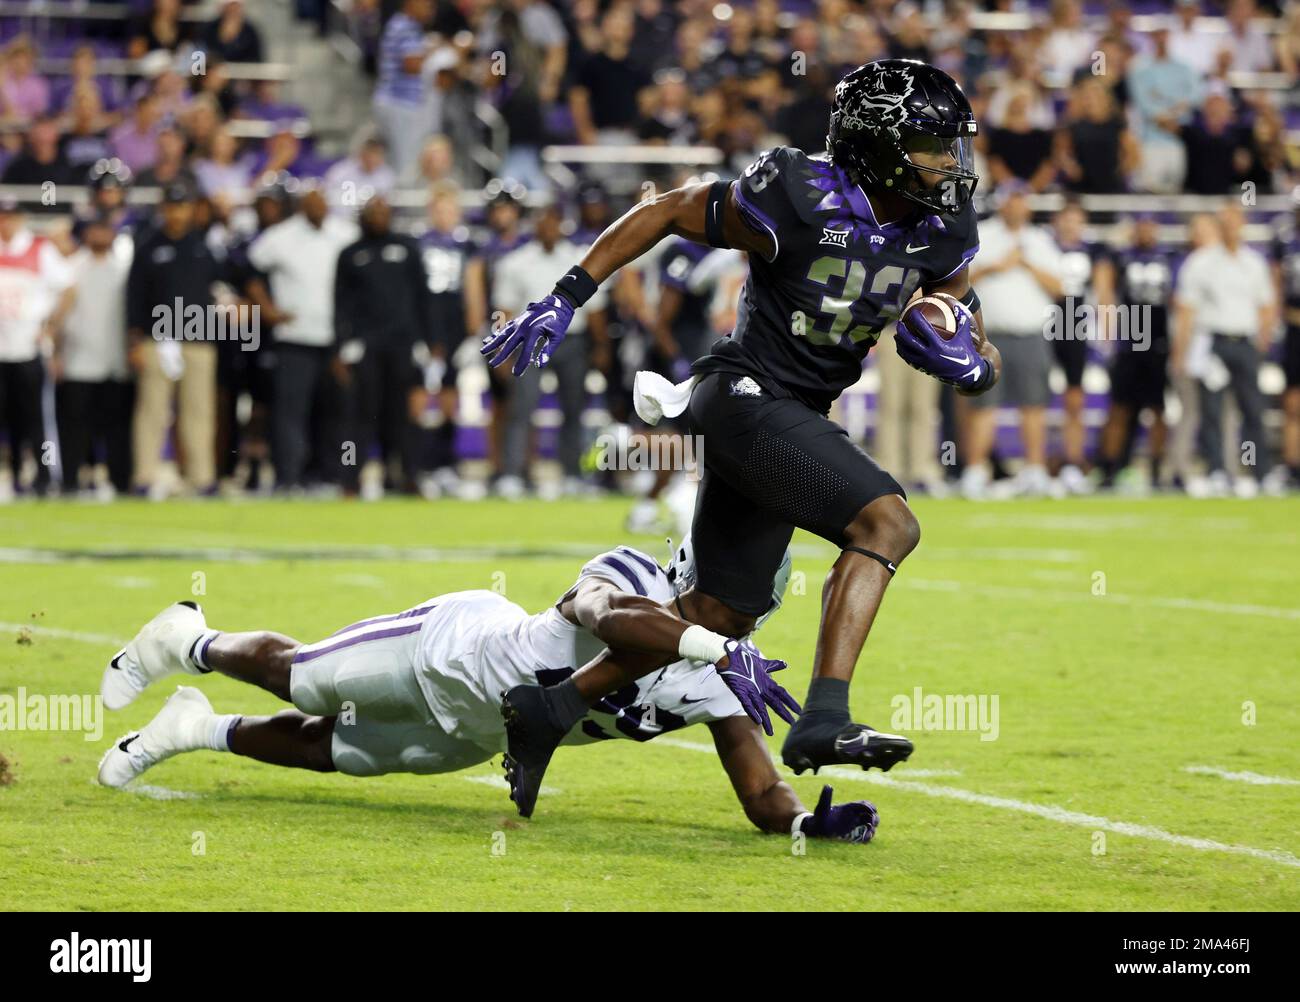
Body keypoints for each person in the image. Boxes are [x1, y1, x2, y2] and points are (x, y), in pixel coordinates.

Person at [481, 59, 998, 815]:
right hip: (744, 395)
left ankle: (550, 708)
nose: (949, 164)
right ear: (878, 144)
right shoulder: (794, 193)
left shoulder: (942, 224)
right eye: (931, 145)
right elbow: (664, 211)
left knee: (720, 614)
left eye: (953, 146)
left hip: (790, 416)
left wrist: (967, 351)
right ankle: (824, 717)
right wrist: (566, 298)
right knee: (887, 522)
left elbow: (952, 293)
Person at [96, 538, 876, 843]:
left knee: (337, 754)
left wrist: (809, 823)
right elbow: (604, 614)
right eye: (729, 601)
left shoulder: (724, 678)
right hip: (447, 652)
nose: (737, 616)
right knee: (299, 675)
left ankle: (193, 728)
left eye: (747, 610)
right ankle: (188, 639)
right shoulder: (636, 576)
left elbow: (759, 789)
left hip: (482, 733)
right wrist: (709, 644)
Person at [493, 203, 608, 498]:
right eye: (542, 223)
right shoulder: (516, 262)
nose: (547, 229)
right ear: (533, 227)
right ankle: (513, 474)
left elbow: (594, 310)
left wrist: (601, 346)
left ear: (561, 225)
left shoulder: (579, 258)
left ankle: (572, 474)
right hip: (531, 340)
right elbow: (505, 310)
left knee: (573, 408)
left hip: (573, 340)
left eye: (552, 223)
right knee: (522, 407)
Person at [247, 186, 358, 491]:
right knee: (290, 412)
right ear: (300, 206)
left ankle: (329, 476)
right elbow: (248, 269)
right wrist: (267, 309)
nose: (318, 207)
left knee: (334, 412)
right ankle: (288, 478)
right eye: (312, 202)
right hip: (293, 337)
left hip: (335, 339)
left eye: (322, 201)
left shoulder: (345, 233)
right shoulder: (280, 237)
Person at [126, 181, 228, 497]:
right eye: (172, 206)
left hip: (198, 340)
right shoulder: (148, 246)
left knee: (198, 412)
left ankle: (202, 478)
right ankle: (144, 477)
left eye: (183, 206)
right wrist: (134, 342)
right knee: (152, 411)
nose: (177, 213)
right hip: (158, 339)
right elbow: (134, 297)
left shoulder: (203, 246)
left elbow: (223, 284)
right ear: (164, 208)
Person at [1174, 203, 1280, 497]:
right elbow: (1186, 310)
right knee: (1213, 410)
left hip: (1245, 342)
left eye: (1235, 220)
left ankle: (1261, 473)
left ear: (1243, 223)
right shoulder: (1202, 262)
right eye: (1226, 221)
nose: (1231, 226)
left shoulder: (1253, 262)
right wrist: (1181, 352)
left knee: (1253, 410)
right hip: (1213, 343)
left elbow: (1267, 305)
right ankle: (1217, 471)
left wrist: (1263, 340)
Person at [964, 183, 1062, 498]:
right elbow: (960, 280)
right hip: (989, 335)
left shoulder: (1040, 239)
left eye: (1022, 201)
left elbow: (1059, 287)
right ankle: (976, 471)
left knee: (1034, 405)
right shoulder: (982, 233)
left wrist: (1026, 263)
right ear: (1002, 204)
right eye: (1011, 201)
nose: (1017, 208)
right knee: (983, 407)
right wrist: (996, 266)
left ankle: (1034, 470)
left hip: (1031, 333)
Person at [334, 196, 432, 498]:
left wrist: (427, 341)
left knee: (404, 417)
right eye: (373, 211)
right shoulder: (350, 254)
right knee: (360, 418)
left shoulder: (407, 249)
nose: (378, 216)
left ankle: (408, 476)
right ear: (363, 216)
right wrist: (343, 344)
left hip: (403, 346)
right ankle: (351, 479)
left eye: (383, 211)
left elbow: (423, 298)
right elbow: (341, 304)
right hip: (366, 348)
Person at [54, 212, 134, 498]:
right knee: (74, 426)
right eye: (95, 230)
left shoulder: (123, 267)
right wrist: (56, 352)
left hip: (115, 358)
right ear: (86, 233)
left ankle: (121, 482)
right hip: (78, 358)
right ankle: (70, 481)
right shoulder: (71, 267)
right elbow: (59, 314)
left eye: (105, 230)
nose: (100, 236)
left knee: (116, 427)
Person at [1095, 213, 1176, 491]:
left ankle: (1157, 470)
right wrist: (1108, 337)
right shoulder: (1120, 257)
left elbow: (1176, 300)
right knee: (1119, 408)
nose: (1145, 232)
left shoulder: (1168, 258)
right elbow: (1106, 290)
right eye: (1140, 226)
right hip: (1129, 343)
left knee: (1158, 409)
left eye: (1149, 226)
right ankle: (1108, 468)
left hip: (1158, 345)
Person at [0, 195, 73, 501]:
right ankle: (15, 475)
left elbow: (68, 288)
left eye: (12, 216)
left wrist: (50, 326)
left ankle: (44, 476)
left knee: (37, 419)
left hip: (29, 347)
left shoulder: (39, 248)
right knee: (10, 417)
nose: (7, 222)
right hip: (2, 347)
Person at [1271, 191, 1300, 488]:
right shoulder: (1285, 242)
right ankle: (1292, 466)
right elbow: (1276, 285)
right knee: (1292, 403)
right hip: (1294, 327)